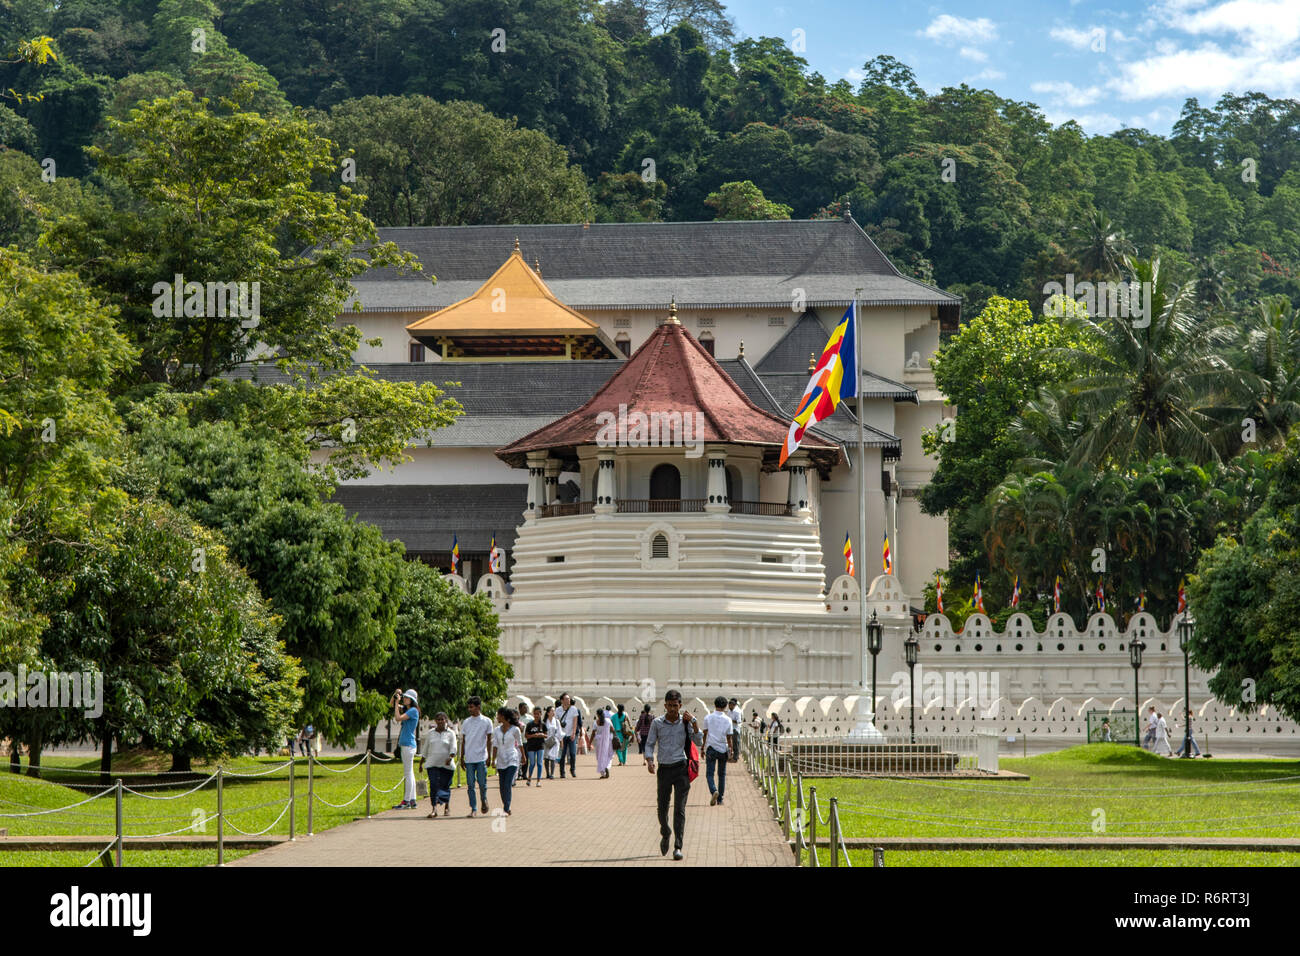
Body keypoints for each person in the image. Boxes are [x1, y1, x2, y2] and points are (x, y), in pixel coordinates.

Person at [645, 689, 702, 861]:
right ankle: (666, 831)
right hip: (664, 770)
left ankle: (678, 846)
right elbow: (649, 744)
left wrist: (694, 722)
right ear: (665, 705)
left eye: (675, 706)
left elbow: (699, 741)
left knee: (679, 809)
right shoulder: (657, 723)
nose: (672, 709)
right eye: (669, 705)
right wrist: (649, 760)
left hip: (681, 769)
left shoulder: (685, 723)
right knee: (662, 808)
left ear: (680, 706)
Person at [460, 696, 493, 817]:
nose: (469, 709)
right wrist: (461, 756)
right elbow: (463, 740)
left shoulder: (487, 721)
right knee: (470, 785)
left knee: (482, 783)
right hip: (469, 758)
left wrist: (489, 756)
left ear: (478, 707)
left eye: (471, 707)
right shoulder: (466, 722)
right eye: (468, 707)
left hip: (481, 757)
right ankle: (473, 808)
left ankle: (484, 799)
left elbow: (489, 740)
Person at [419, 711, 456, 817]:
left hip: (447, 765)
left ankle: (447, 806)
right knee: (434, 785)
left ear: (446, 720)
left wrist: (450, 757)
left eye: (442, 719)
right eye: (438, 719)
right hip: (432, 764)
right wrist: (421, 763)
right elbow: (425, 748)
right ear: (435, 721)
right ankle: (434, 809)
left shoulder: (451, 733)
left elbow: (453, 747)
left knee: (445, 786)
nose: (440, 721)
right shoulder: (431, 733)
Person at [490, 707, 523, 815]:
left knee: (507, 783)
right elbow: (495, 745)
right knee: (502, 785)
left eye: (498, 715)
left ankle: (506, 807)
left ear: (503, 716)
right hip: (501, 759)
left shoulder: (515, 729)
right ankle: (506, 806)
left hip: (512, 758)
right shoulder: (496, 730)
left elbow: (520, 743)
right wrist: (493, 759)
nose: (497, 717)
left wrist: (523, 756)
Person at [391, 689, 420, 810]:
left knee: (407, 774)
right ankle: (412, 799)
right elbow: (392, 705)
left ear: (412, 700)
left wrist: (397, 703)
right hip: (407, 744)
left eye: (407, 697)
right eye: (404, 697)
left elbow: (397, 717)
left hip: (408, 745)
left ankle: (406, 801)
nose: (405, 699)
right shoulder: (410, 710)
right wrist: (395, 695)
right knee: (410, 773)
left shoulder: (413, 711)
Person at [703, 695, 733, 807]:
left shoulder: (708, 718)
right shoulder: (728, 719)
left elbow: (705, 734)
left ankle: (713, 790)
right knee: (722, 774)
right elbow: (729, 737)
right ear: (725, 706)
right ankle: (720, 799)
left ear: (715, 705)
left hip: (711, 748)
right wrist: (731, 749)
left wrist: (702, 748)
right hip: (723, 749)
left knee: (709, 774)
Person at [556, 692, 580, 777]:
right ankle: (562, 772)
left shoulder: (574, 709)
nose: (568, 700)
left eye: (569, 699)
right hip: (562, 736)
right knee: (562, 755)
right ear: (562, 700)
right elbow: (557, 722)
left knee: (573, 754)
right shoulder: (558, 710)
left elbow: (575, 722)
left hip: (571, 735)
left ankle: (572, 770)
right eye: (566, 699)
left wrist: (573, 733)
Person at [590, 705, 615, 778]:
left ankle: (603, 773)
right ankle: (607, 766)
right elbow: (612, 730)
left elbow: (593, 733)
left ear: (597, 715)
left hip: (599, 741)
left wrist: (590, 742)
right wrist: (616, 737)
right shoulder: (608, 721)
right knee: (609, 755)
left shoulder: (596, 722)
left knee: (600, 757)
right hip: (608, 740)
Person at [524, 705, 547, 786]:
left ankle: (538, 780)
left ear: (541, 714)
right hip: (531, 746)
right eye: (535, 714)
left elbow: (546, 735)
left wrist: (541, 735)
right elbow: (526, 736)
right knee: (532, 763)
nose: (536, 715)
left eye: (538, 714)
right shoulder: (530, 724)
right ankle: (529, 778)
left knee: (540, 763)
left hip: (540, 745)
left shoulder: (543, 724)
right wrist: (533, 735)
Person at [543, 705, 561, 778]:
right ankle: (547, 773)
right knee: (546, 757)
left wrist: (560, 740)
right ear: (548, 713)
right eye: (552, 711)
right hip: (546, 741)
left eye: (554, 711)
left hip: (554, 741)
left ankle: (552, 773)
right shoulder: (544, 722)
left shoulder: (556, 721)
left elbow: (559, 732)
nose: (553, 712)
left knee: (553, 757)